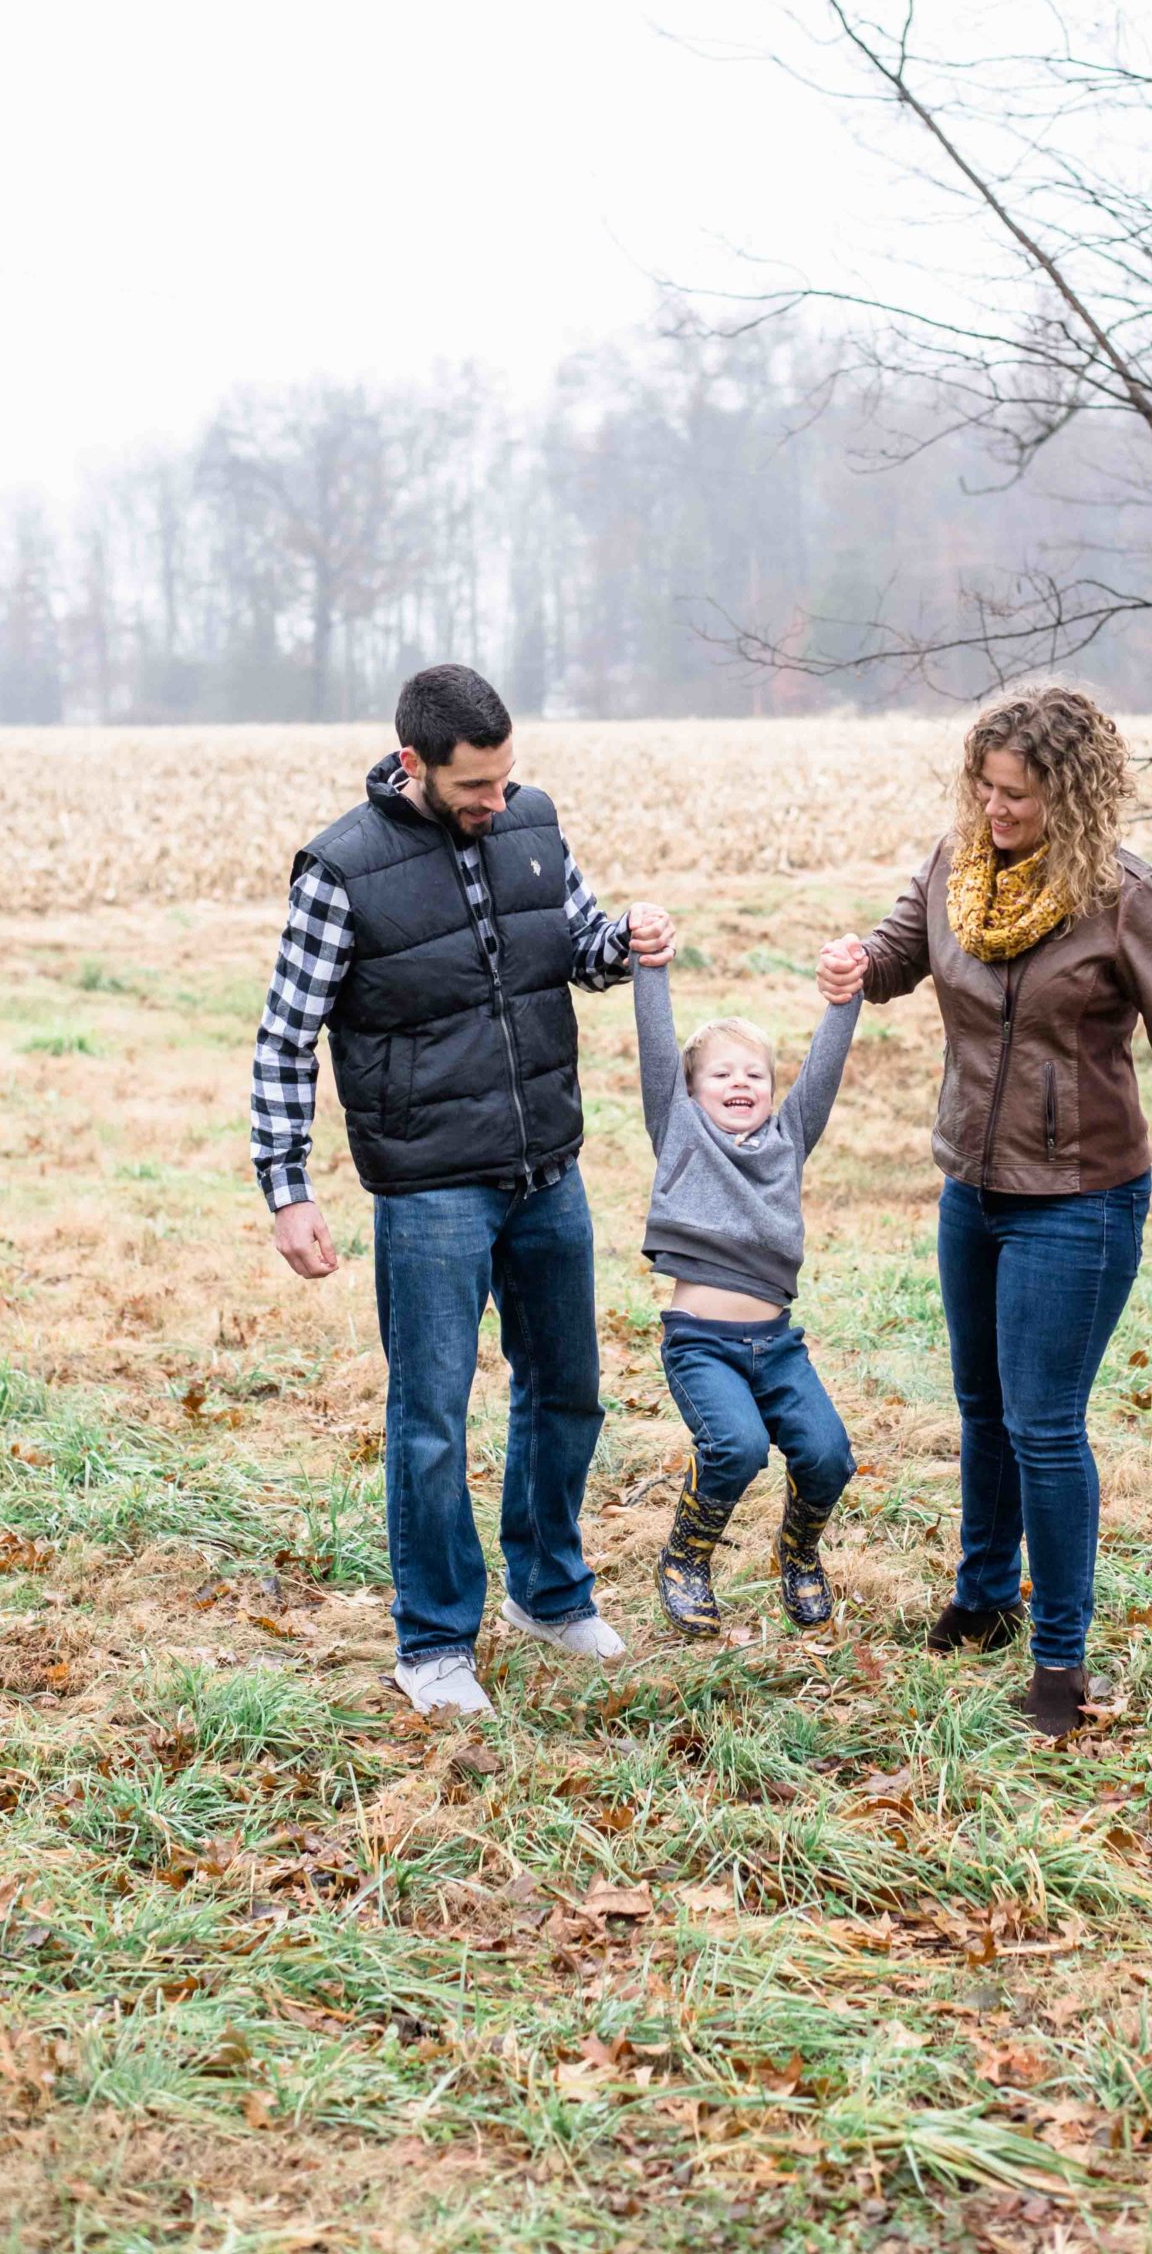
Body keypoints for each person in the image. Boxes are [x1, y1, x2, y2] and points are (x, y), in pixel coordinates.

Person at [250, 663, 676, 1717]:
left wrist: (625, 940)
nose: (497, 802)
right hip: (431, 1188)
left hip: (548, 1173)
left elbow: (573, 942)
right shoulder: (341, 871)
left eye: (506, 779)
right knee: (432, 1418)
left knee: (567, 1392)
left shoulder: (532, 824)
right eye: (476, 786)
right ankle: (435, 1643)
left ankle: (550, 1593)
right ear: (414, 765)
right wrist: (287, 1185)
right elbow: (285, 1037)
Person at [817, 685, 1152, 1740]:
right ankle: (985, 1594)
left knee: (1045, 1425)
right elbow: (900, 956)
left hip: (1082, 1199)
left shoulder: (1126, 898)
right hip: (974, 1184)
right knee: (982, 1408)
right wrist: (859, 962)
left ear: (1073, 796)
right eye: (988, 788)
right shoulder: (956, 871)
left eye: (1022, 796)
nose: (998, 810)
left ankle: (1059, 1659)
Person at [632, 959, 861, 1637]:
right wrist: (651, 966)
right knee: (735, 1446)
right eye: (722, 1074)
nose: (740, 1083)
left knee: (828, 1455)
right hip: (701, 1342)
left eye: (754, 1074)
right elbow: (655, 1044)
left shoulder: (786, 1142)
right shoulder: (678, 1131)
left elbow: (822, 1070)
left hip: (776, 1345)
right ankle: (686, 1558)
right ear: (690, 1088)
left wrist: (844, 1000)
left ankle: (797, 1554)